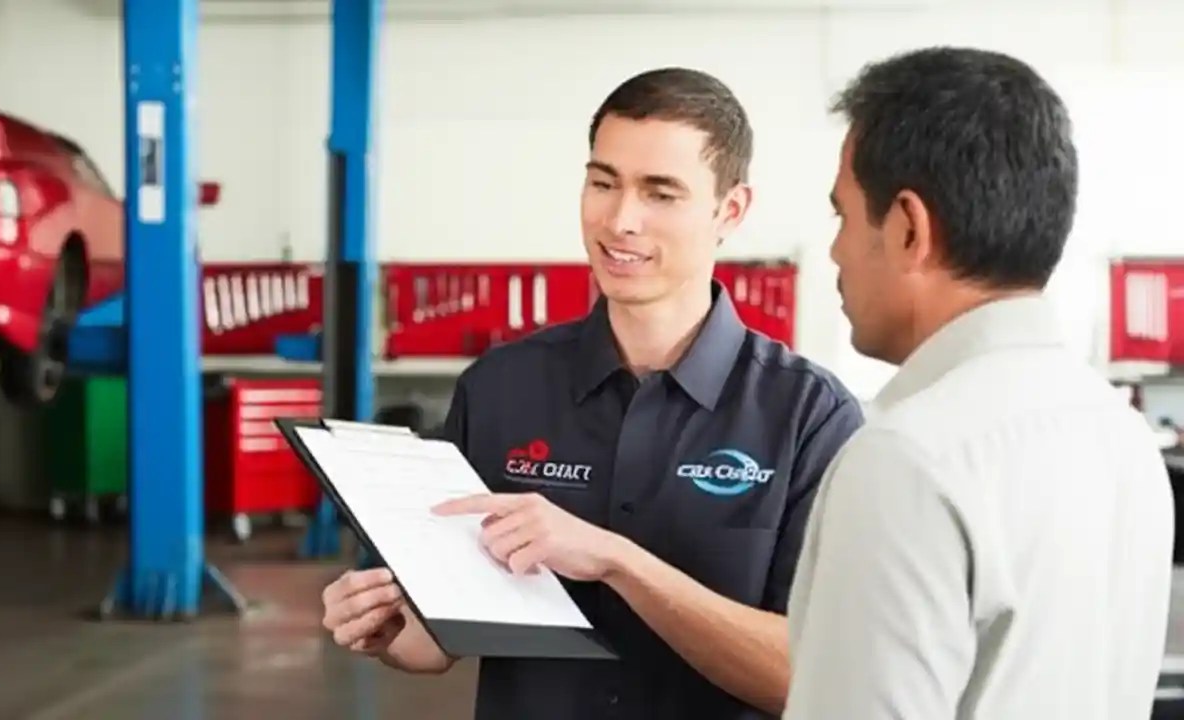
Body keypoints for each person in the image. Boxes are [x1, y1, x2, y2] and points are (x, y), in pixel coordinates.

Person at [320, 67, 863, 719]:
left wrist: (615, 560)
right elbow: (437, 641)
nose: (621, 219)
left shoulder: (808, 418)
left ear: (731, 210)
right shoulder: (499, 389)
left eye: (660, 193)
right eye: (603, 182)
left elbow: (806, 675)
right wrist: (384, 627)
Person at [783, 46, 1175, 719]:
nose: (836, 252)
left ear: (909, 229)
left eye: (842, 216)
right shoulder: (1123, 437)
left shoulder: (907, 459)